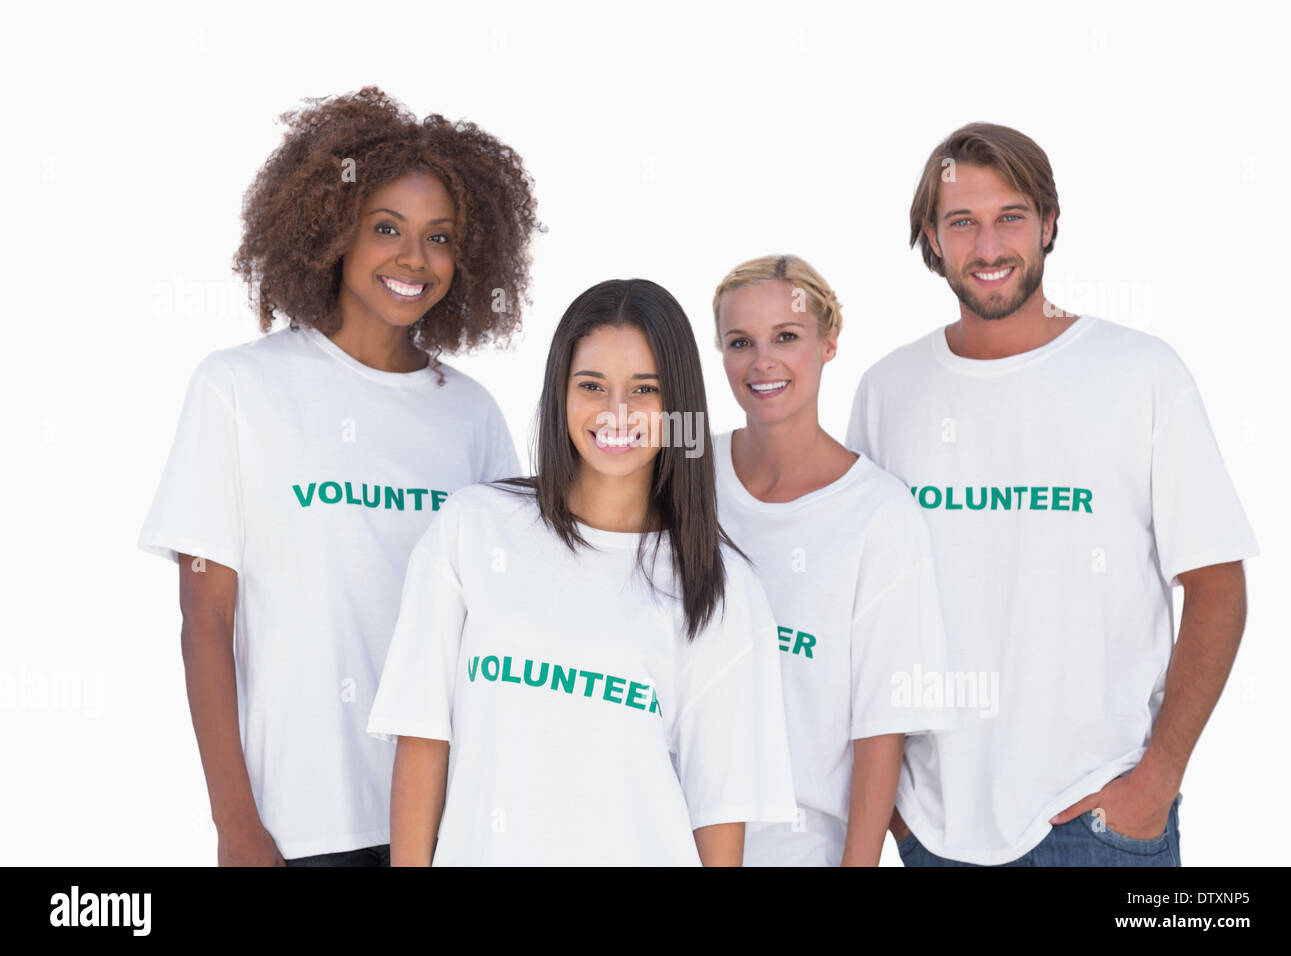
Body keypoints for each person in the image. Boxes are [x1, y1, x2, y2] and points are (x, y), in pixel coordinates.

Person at [137, 87, 539, 866]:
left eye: (440, 237)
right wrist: (236, 827)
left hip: (445, 821)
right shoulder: (239, 390)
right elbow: (205, 623)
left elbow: (498, 628)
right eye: (386, 228)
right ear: (331, 230)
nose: (413, 259)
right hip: (300, 825)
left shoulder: (474, 417)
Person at [846, 122, 1258, 867]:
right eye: (961, 222)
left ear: (1049, 224)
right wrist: (896, 812)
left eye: (1011, 216)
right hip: (937, 831)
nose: (990, 245)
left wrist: (1156, 781)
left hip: (1101, 821)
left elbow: (1217, 584)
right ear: (931, 241)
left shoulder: (1141, 374)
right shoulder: (889, 392)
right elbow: (864, 613)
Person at [367, 278, 798, 865]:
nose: (617, 413)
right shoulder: (473, 529)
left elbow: (717, 815)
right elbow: (422, 739)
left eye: (644, 389)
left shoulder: (720, 589)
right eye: (592, 385)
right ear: (559, 394)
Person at [710, 255, 954, 866]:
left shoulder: (879, 514)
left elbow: (882, 728)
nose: (762, 362)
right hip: (665, 838)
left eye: (786, 338)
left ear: (829, 344)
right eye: (741, 342)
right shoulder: (686, 479)